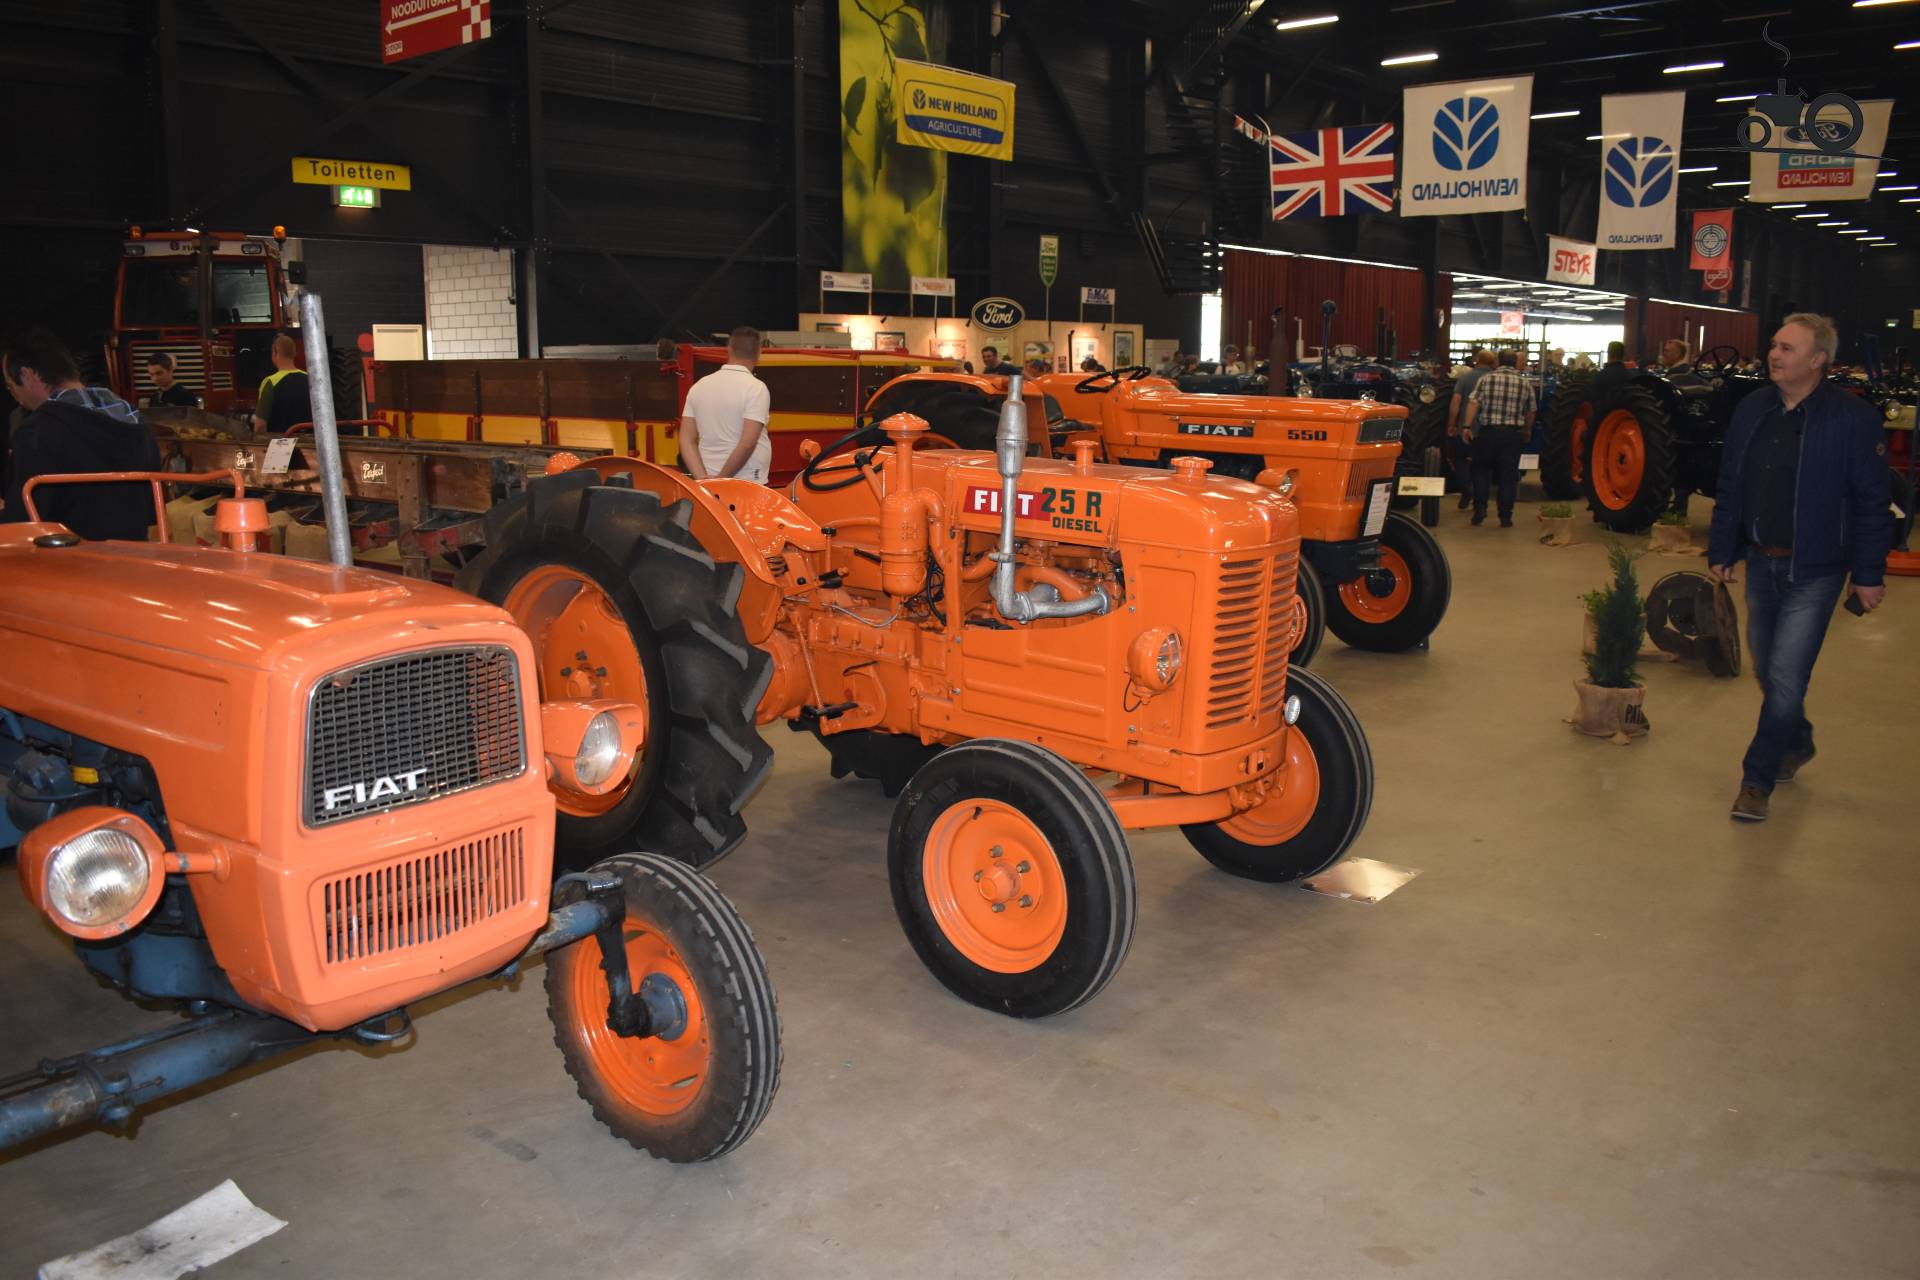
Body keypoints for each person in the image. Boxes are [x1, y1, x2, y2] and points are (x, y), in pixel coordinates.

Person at [1707, 313, 1892, 823]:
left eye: (1787, 348)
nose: (1774, 354)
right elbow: (1730, 485)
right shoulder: (1753, 409)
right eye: (1774, 345)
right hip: (1762, 564)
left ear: (1818, 360)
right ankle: (1799, 740)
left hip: (1817, 569)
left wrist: (1869, 572)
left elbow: (1872, 501)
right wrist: (1724, 547)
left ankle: (1755, 780)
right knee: (1770, 672)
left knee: (1786, 677)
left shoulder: (1851, 419)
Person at [2, 329, 162, 541]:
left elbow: (22, 523)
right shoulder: (134, 419)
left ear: (27, 375)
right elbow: (152, 511)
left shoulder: (38, 430)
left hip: (69, 562)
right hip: (133, 553)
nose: (18, 399)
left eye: (12, 388)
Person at [680, 326, 771, 483]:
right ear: (759, 354)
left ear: (728, 350)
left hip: (707, 476)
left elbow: (686, 439)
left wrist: (701, 478)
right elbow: (748, 443)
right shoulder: (756, 388)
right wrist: (722, 479)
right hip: (748, 479)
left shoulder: (699, 386)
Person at [1460, 350, 1536, 527]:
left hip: (1488, 433)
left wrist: (1466, 426)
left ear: (1498, 362)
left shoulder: (1486, 379)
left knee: (1480, 471)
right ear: (1515, 362)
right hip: (1512, 435)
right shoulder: (1524, 383)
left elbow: (1473, 403)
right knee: (1508, 476)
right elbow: (1531, 410)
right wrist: (1527, 429)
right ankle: (1505, 516)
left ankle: (1480, 510)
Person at [1447, 349, 1496, 510]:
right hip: (1487, 430)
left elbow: (1456, 402)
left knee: (1461, 461)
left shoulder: (1465, 378)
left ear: (1476, 360)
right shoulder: (1495, 379)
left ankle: (1466, 490)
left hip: (1465, 428)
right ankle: (1480, 500)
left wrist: (1452, 424)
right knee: (1484, 465)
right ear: (1492, 362)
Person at [250, 334, 312, 433]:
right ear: (294, 353)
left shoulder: (270, 382)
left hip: (280, 445)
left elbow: (260, 425)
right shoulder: (311, 379)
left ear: (275, 353)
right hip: (310, 443)